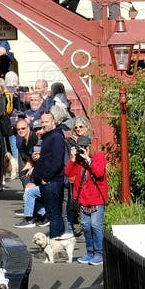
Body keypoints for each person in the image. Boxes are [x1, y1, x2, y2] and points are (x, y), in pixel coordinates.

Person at [66, 120, 108, 265]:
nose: (82, 150)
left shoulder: (98, 156)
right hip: (83, 198)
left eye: (84, 147)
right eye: (80, 147)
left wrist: (88, 159)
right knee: (86, 226)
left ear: (89, 147)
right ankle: (90, 253)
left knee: (96, 226)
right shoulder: (78, 160)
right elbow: (68, 173)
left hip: (96, 198)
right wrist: (72, 159)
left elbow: (99, 172)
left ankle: (99, 254)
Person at [31, 110, 68, 239]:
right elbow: (50, 157)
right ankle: (59, 239)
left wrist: (46, 178)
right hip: (47, 180)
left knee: (53, 214)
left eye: (47, 121)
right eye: (42, 122)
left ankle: (54, 241)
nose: (44, 124)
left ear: (54, 122)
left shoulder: (56, 137)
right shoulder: (48, 136)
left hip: (52, 181)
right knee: (53, 213)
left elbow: (57, 161)